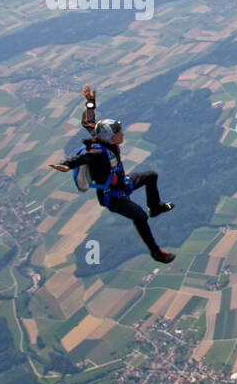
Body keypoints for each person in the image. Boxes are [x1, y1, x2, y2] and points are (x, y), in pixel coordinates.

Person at [46, 85, 176, 264]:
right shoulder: (99, 153)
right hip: (113, 197)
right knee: (140, 217)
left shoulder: (101, 137)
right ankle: (156, 252)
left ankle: (155, 207)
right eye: (118, 133)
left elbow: (88, 122)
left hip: (123, 183)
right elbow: (82, 158)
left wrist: (90, 103)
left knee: (151, 176)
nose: (122, 134)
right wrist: (66, 165)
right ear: (109, 137)